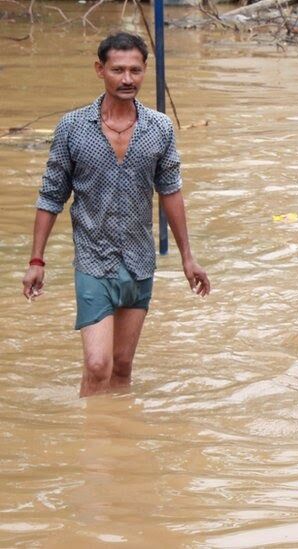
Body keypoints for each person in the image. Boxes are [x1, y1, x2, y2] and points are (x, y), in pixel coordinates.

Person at [20, 32, 210, 398]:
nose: (127, 79)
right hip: (92, 260)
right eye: (118, 70)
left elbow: (170, 191)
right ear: (100, 70)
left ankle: (115, 440)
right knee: (97, 364)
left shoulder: (159, 128)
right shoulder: (73, 127)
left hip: (139, 261)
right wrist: (36, 260)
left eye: (135, 71)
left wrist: (188, 258)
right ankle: (91, 449)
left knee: (122, 366)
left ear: (144, 72)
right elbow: (50, 196)